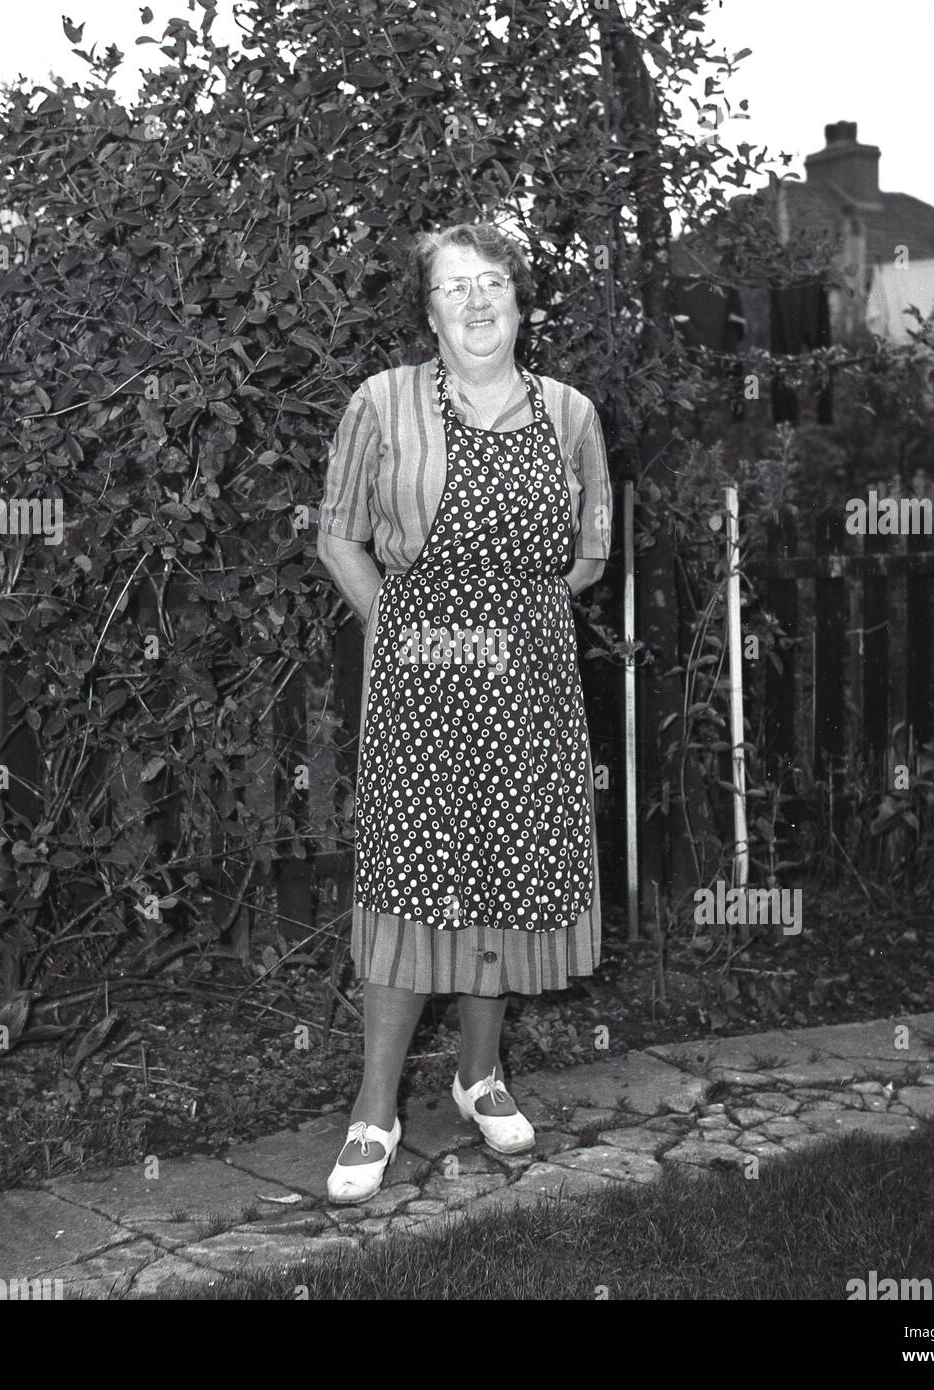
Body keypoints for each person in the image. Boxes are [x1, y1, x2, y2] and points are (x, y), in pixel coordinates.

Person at [316, 221, 612, 1203]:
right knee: (410, 876)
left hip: (527, 682)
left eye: (493, 284)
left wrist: (515, 623)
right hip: (419, 682)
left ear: (521, 302)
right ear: (428, 312)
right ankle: (373, 1108)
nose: (477, 302)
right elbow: (338, 535)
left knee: (505, 869)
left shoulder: (570, 413)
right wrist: (404, 631)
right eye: (454, 289)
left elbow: (591, 549)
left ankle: (479, 1075)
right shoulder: (381, 402)